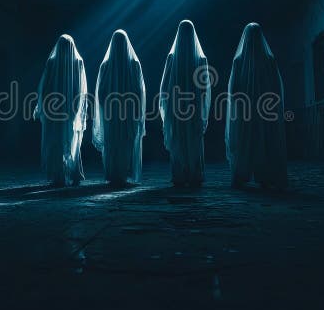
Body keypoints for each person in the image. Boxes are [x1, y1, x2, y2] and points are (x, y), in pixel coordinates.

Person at [225, 23, 288, 190]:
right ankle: (264, 175)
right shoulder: (269, 60)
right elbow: (276, 88)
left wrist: (240, 105)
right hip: (265, 110)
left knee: (244, 141)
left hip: (245, 110)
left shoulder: (238, 61)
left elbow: (233, 89)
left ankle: (241, 174)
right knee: (264, 140)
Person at [159, 20, 211, 187]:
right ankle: (195, 172)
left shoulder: (172, 58)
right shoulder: (201, 59)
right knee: (194, 139)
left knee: (178, 139)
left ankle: (179, 173)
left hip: (176, 106)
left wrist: (166, 106)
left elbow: (165, 86)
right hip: (194, 106)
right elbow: (204, 88)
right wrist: (202, 107)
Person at [93, 30, 146, 186]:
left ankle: (113, 172)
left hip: (111, 111)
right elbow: (139, 90)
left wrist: (104, 107)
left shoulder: (106, 65)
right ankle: (123, 172)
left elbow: (101, 91)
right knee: (126, 141)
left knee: (112, 141)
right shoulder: (134, 64)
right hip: (129, 110)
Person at [35, 35, 88, 187]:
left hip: (53, 108)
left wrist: (44, 106)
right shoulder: (78, 62)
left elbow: (44, 88)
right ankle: (74, 173)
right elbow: (80, 89)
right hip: (70, 108)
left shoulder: (52, 62)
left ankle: (59, 175)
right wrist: (77, 108)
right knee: (72, 140)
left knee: (56, 140)